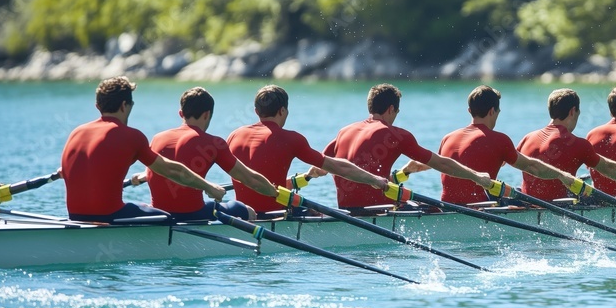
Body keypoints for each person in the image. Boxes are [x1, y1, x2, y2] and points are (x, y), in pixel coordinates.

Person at [60, 76, 225, 223]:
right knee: (166, 218)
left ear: (98, 106)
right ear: (124, 105)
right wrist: (209, 187)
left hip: (74, 216)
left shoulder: (76, 133)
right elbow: (171, 170)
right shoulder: (132, 136)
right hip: (110, 215)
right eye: (131, 104)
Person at [322, 83, 492, 211]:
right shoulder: (397, 135)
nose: (396, 116)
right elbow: (441, 164)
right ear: (391, 109)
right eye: (397, 112)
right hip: (380, 211)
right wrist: (476, 176)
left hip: (345, 210)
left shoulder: (343, 132)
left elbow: (319, 167)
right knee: (433, 209)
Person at [227, 85, 390, 214]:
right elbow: (336, 167)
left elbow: (259, 178)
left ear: (256, 111)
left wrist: (302, 178)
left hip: (242, 214)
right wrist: (374, 179)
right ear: (283, 110)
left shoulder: (234, 136)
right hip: (275, 214)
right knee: (315, 212)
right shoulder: (290, 139)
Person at [140, 87, 278, 221]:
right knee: (243, 209)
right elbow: (249, 179)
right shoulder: (213, 143)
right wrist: (276, 193)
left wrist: (143, 175)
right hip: (194, 214)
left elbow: (161, 168)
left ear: (181, 114)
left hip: (159, 213)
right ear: (207, 114)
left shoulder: (157, 138)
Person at [430, 85, 581, 204]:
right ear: (492, 111)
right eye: (498, 112)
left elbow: (445, 162)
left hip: (448, 206)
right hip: (481, 209)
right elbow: (531, 167)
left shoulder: (447, 138)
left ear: (470, 111)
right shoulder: (500, 140)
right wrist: (562, 175)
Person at [516, 88, 616, 201]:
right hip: (560, 209)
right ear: (573, 111)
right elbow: (608, 168)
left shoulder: (527, 138)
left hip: (527, 204)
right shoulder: (578, 144)